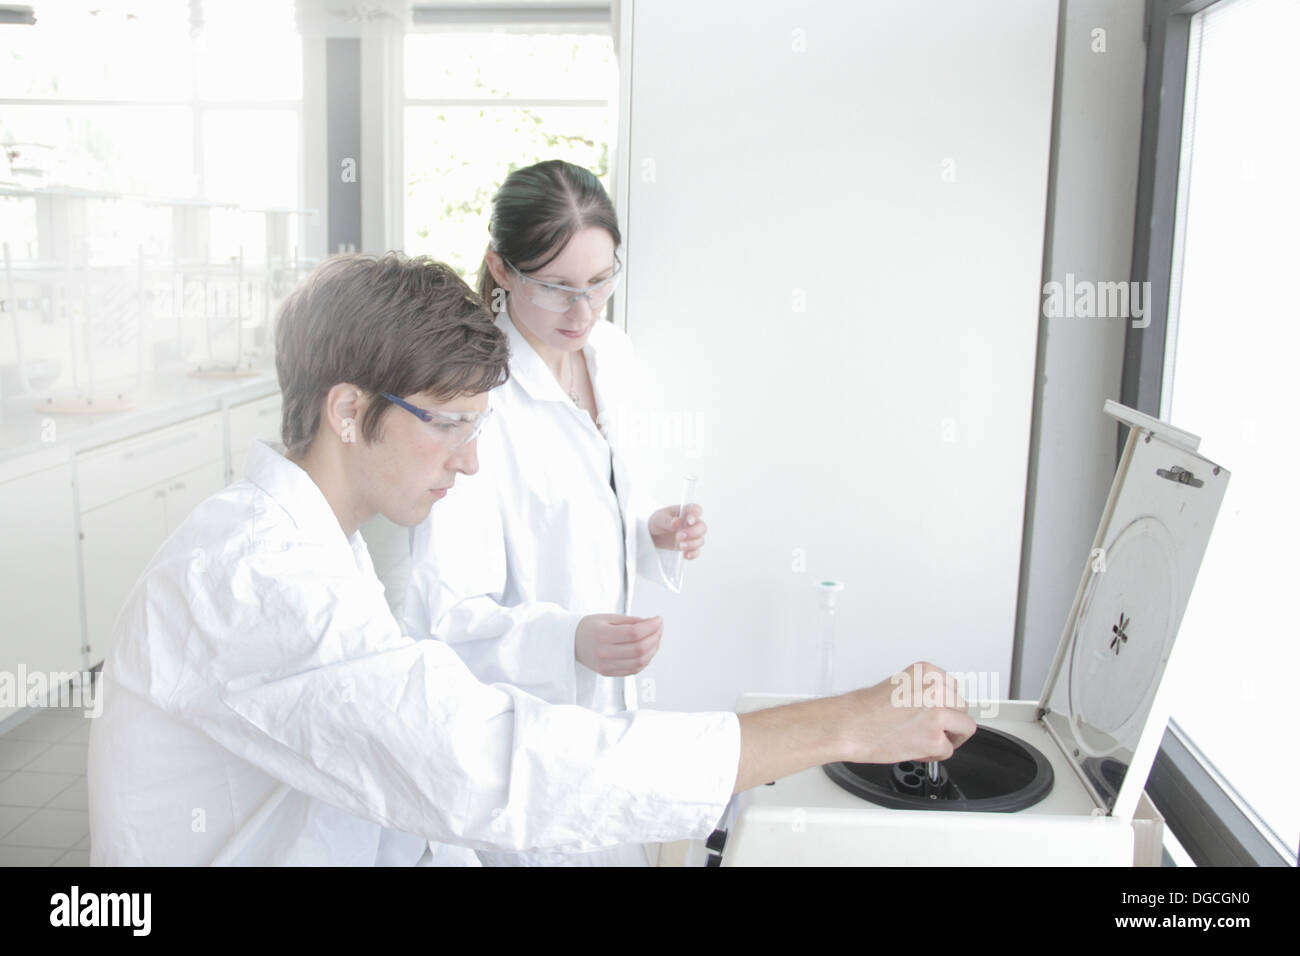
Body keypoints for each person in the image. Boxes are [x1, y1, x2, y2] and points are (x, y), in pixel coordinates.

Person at [86, 251, 976, 866]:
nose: (471, 460)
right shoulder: (252, 578)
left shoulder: (320, 545)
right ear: (349, 410)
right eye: (451, 424)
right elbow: (474, 762)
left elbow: (397, 769)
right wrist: (843, 726)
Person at [403, 161, 703, 866]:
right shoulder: (473, 401)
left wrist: (648, 531)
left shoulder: (611, 355)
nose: (584, 312)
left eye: (601, 281)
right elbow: (443, 620)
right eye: (558, 289)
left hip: (608, 721)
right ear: (500, 270)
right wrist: (567, 640)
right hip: (522, 740)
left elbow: (586, 510)